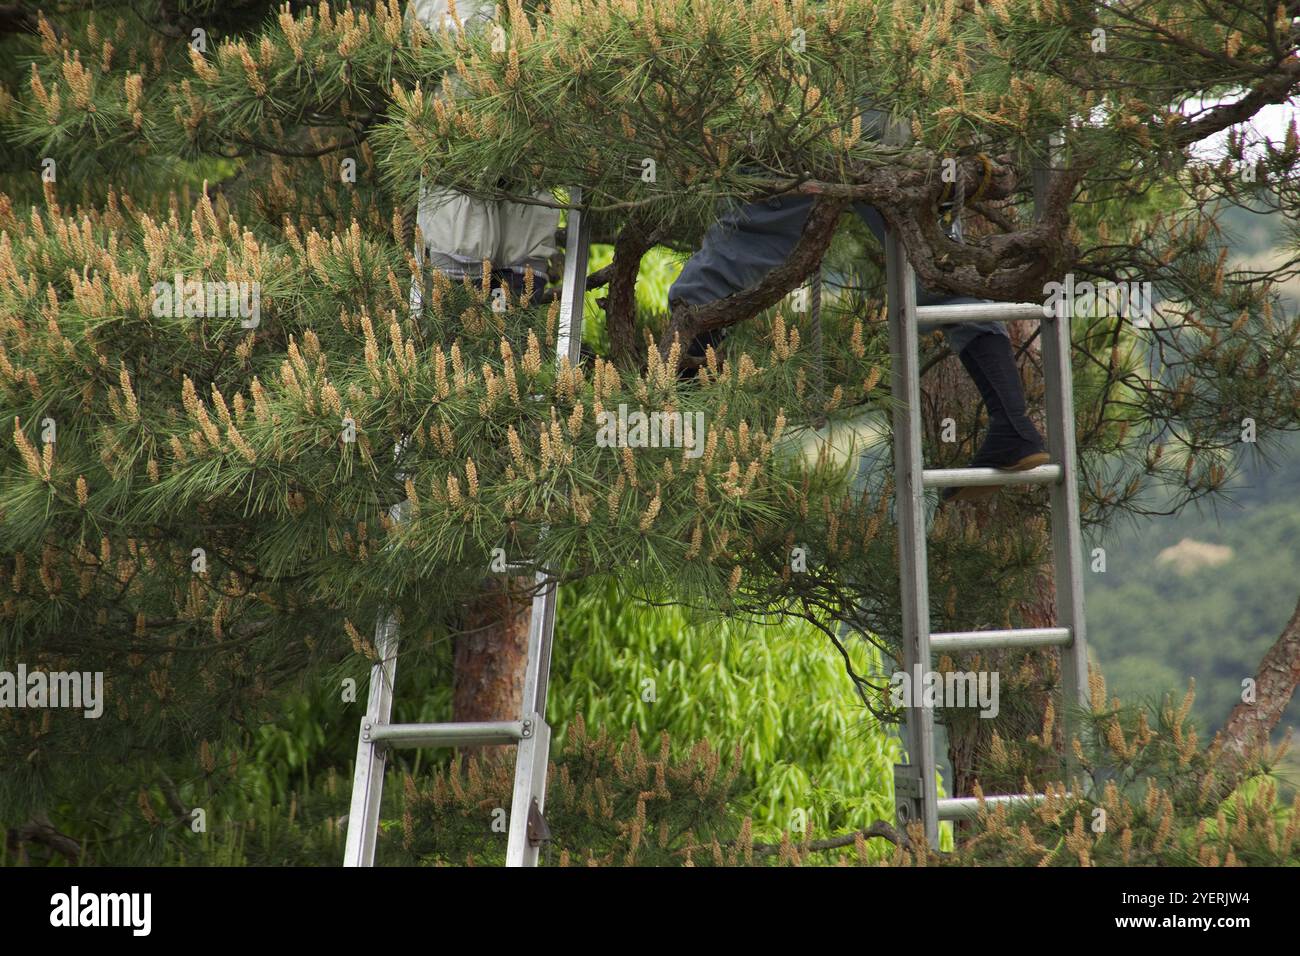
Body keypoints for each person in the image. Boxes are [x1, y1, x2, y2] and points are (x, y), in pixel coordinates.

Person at [669, 108, 1047, 503]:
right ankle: (1014, 427)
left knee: (708, 283)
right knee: (943, 273)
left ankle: (686, 455)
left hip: (824, 109)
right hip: (898, 110)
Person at [407, 0, 558, 306]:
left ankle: (505, 318)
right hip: (461, 132)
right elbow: (414, 44)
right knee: (463, 214)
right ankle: (465, 315)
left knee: (526, 195)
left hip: (527, 127)